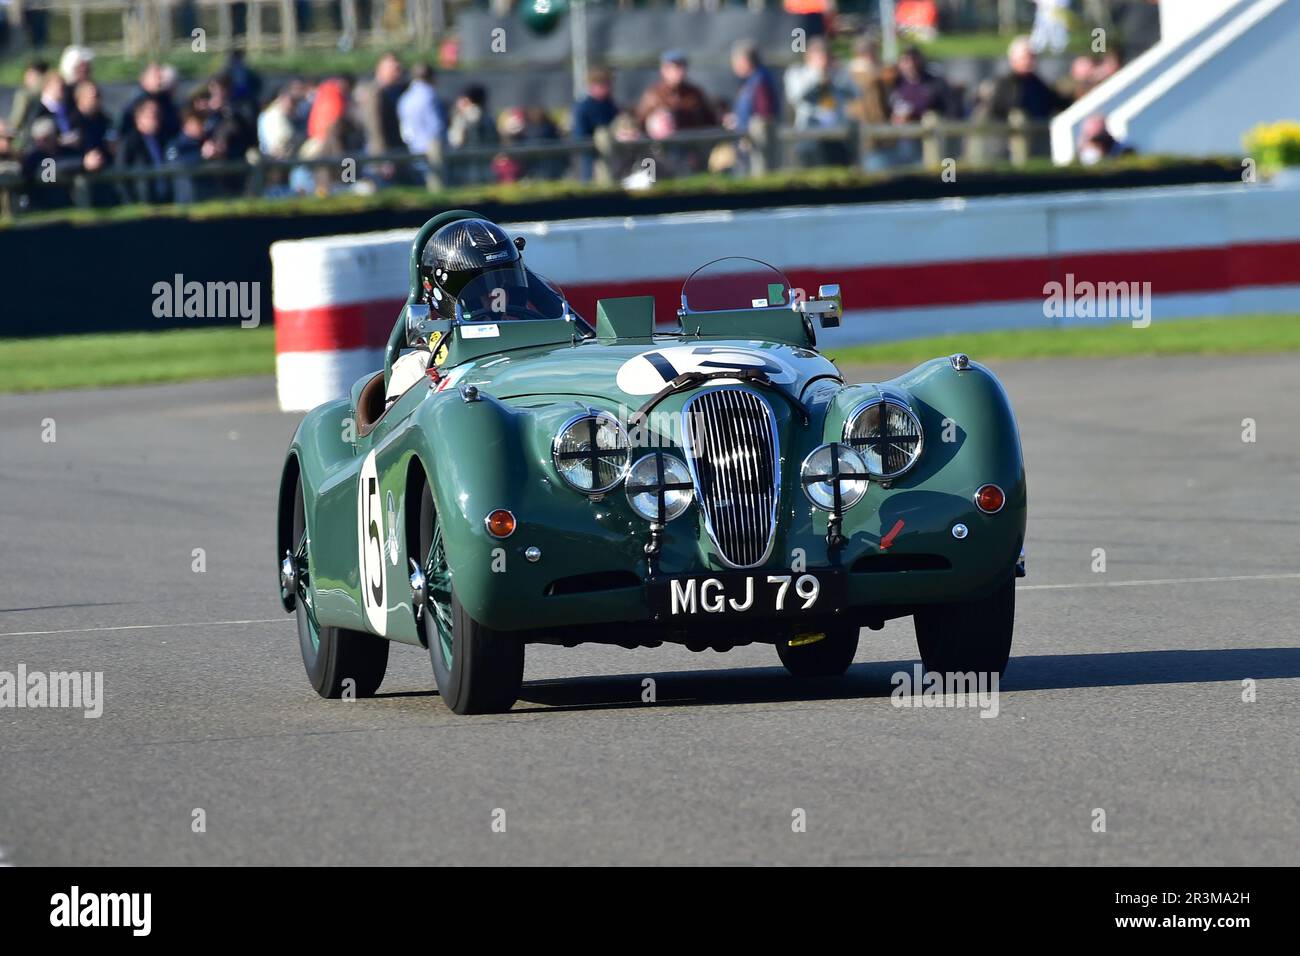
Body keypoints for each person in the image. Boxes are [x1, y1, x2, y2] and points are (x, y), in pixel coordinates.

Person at [784, 37, 855, 167]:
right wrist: (817, 79)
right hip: (809, 139)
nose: (824, 61)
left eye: (827, 56)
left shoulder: (836, 74)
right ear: (809, 57)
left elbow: (855, 94)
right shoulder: (797, 73)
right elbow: (795, 97)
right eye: (820, 57)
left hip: (835, 137)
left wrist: (839, 75)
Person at [635, 50, 718, 134]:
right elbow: (640, 122)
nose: (680, 72)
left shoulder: (695, 93)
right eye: (675, 67)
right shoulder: (653, 95)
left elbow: (711, 119)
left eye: (682, 67)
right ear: (664, 70)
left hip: (690, 143)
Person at [116, 98, 171, 204]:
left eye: (158, 115)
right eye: (152, 116)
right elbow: (120, 174)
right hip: (142, 200)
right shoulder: (130, 142)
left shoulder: (162, 139)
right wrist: (130, 202)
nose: (156, 119)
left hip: (164, 200)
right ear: (139, 118)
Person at [571, 66, 618, 181]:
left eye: (608, 84)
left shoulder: (610, 105)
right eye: (602, 85)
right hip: (590, 158)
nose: (607, 88)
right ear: (591, 87)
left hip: (612, 156)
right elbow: (580, 136)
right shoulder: (583, 107)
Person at [397, 63, 446, 156]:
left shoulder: (405, 97)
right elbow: (436, 126)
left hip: (411, 148)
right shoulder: (429, 95)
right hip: (430, 150)